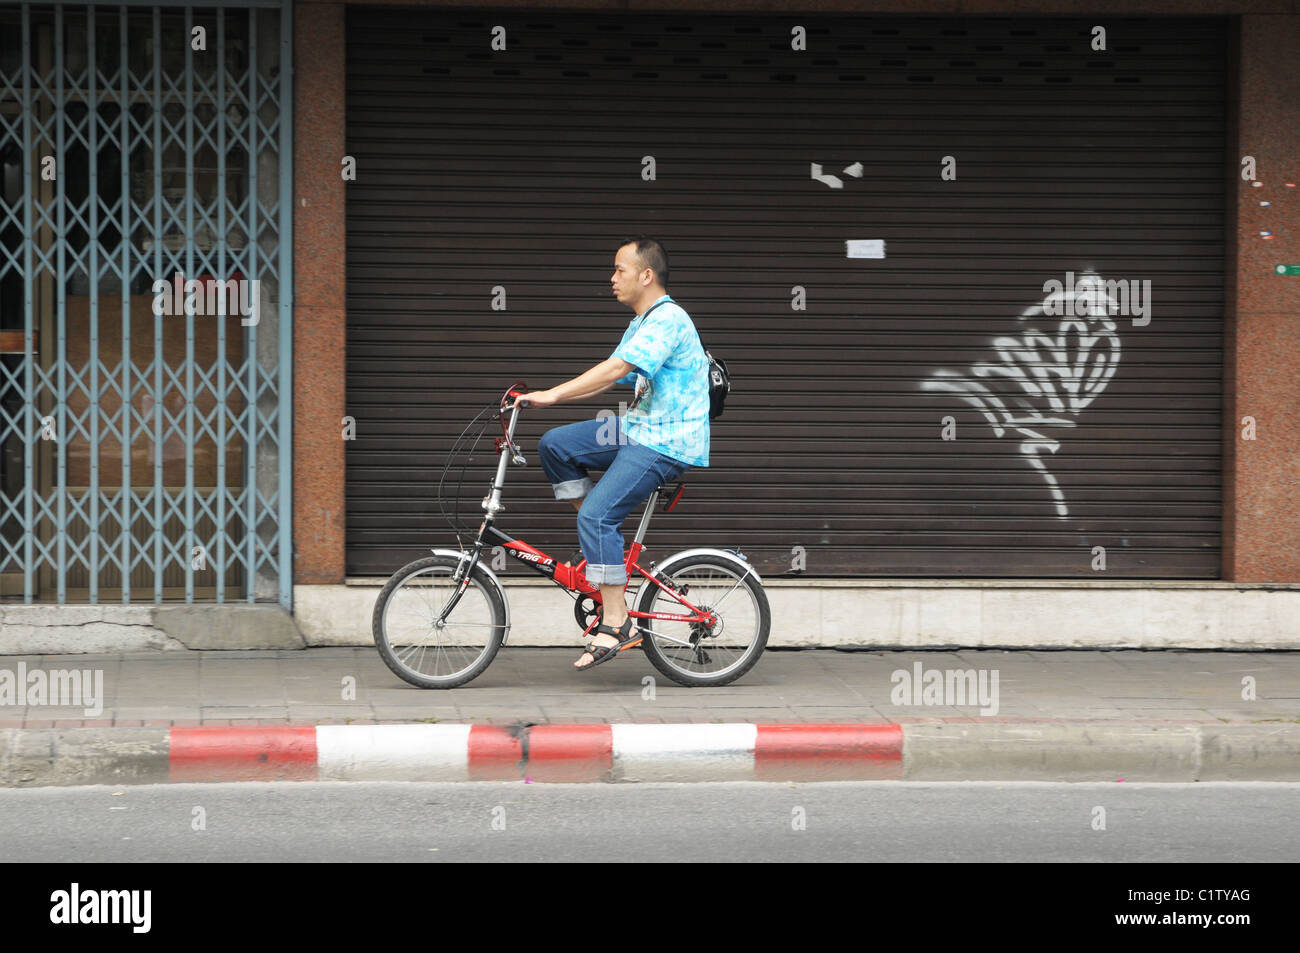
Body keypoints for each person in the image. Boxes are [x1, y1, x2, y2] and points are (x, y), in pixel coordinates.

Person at [525, 237, 711, 670]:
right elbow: (609, 381)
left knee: (595, 517)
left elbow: (615, 369)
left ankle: (618, 623)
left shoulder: (669, 319)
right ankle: (602, 551)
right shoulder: (642, 323)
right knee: (556, 445)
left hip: (666, 440)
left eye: (619, 270)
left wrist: (552, 395)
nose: (612, 279)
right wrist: (542, 399)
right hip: (636, 429)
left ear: (646, 275)